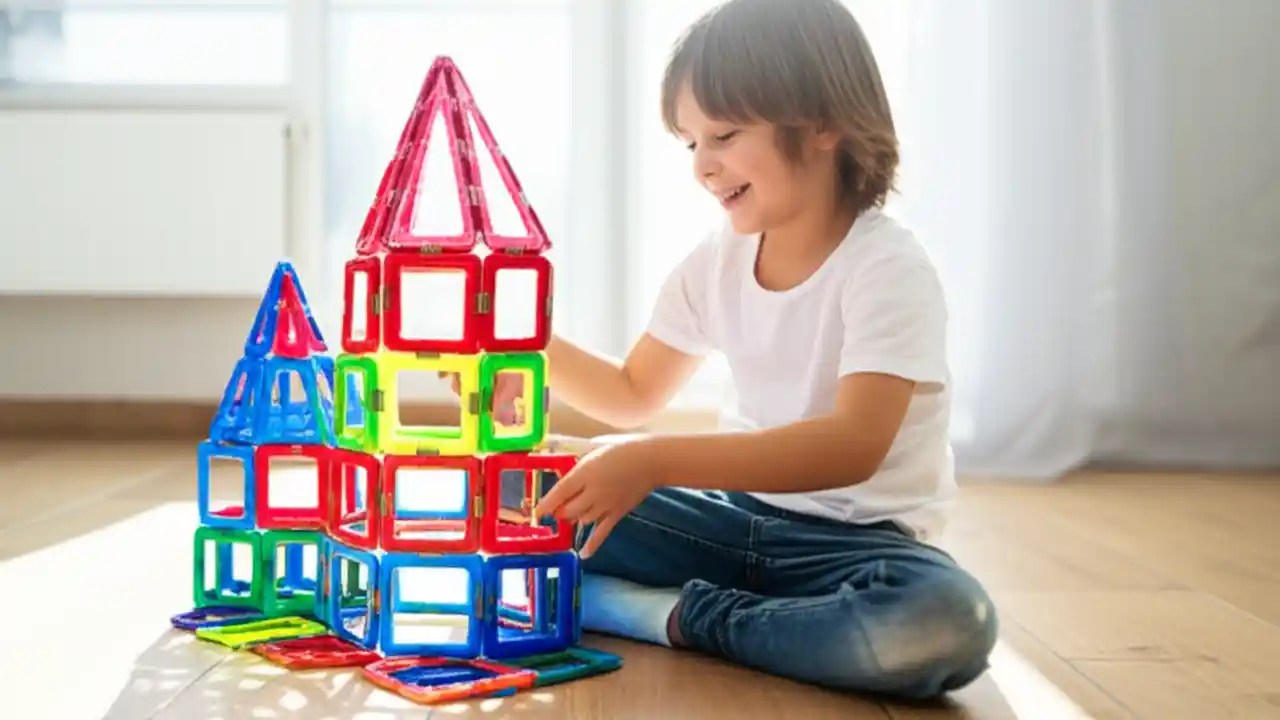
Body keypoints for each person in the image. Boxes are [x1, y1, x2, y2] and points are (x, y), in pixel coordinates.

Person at [496, 0, 998, 700]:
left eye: (725, 135)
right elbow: (633, 392)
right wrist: (524, 347)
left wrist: (653, 459)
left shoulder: (889, 268)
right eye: (691, 143)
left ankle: (663, 615)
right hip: (726, 524)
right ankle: (728, 617)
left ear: (822, 122)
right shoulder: (716, 262)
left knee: (944, 621)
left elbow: (852, 446)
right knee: (505, 487)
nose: (704, 166)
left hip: (855, 548)